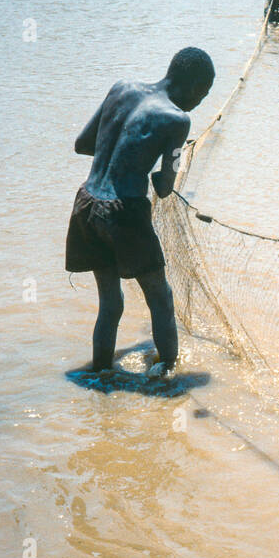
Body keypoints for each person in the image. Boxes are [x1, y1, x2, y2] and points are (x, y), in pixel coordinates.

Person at [66, 47, 215, 376]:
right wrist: (153, 167)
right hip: (125, 214)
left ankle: (101, 376)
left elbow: (83, 144)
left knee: (111, 303)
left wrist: (120, 151)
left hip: (86, 204)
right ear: (192, 87)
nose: (199, 103)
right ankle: (168, 378)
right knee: (161, 298)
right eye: (202, 96)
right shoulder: (179, 120)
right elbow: (163, 187)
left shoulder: (121, 88)